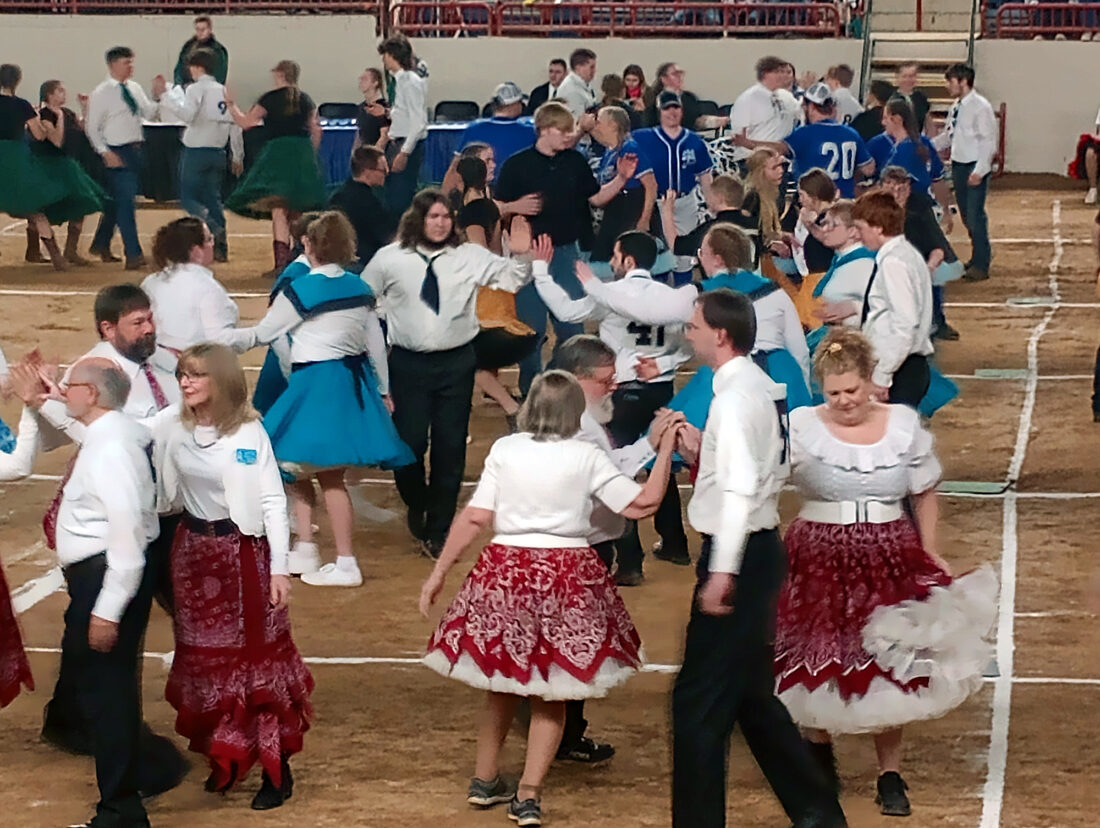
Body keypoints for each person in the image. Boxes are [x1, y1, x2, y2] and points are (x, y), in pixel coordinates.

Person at [420, 369, 681, 828]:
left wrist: (439, 573)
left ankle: (485, 780)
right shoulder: (585, 455)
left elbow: (476, 516)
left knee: (501, 684)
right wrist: (664, 452)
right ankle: (528, 794)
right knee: (552, 692)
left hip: (505, 570)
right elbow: (642, 505)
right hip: (567, 574)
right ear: (574, 412)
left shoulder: (506, 449)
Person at [774, 328, 996, 817]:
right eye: (833, 393)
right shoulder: (800, 426)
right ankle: (817, 754)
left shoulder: (903, 423)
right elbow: (765, 478)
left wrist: (930, 547)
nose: (844, 401)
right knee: (816, 651)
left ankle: (889, 774)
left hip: (888, 552)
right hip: (816, 555)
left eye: (852, 390)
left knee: (890, 660)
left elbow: (926, 488)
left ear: (869, 380)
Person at [671, 288, 847, 828]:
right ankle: (817, 812)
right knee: (751, 698)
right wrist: (709, 451)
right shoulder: (760, 387)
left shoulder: (733, 399)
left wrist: (722, 570)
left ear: (720, 335)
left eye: (695, 325)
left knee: (697, 707)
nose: (688, 333)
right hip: (758, 548)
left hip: (740, 553)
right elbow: (768, 464)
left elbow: (740, 492)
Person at [155, 343, 313, 810]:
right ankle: (223, 759)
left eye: (197, 376)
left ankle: (275, 770)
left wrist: (279, 569)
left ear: (220, 382)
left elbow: (271, 503)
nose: (185, 383)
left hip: (242, 557)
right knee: (204, 661)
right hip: (193, 555)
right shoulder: (173, 426)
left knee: (254, 664)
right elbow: (118, 431)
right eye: (183, 375)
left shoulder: (249, 432)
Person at [225, 212, 413, 586]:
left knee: (301, 466)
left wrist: (217, 340)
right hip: (349, 384)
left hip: (314, 384)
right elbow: (376, 344)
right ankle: (308, 549)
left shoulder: (303, 289)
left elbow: (262, 334)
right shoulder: (359, 287)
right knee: (309, 468)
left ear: (309, 245)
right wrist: (383, 389)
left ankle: (343, 562)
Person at [363, 191, 551, 558]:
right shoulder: (389, 259)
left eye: (446, 216)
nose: (440, 222)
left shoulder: (468, 256)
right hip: (408, 364)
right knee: (409, 446)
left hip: (456, 362)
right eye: (433, 216)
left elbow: (511, 279)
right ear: (418, 218)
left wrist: (523, 254)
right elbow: (364, 298)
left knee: (451, 448)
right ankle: (418, 502)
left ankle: (439, 530)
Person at [31, 357, 165, 828]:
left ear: (92, 394)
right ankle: (143, 773)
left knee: (105, 692)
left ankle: (123, 807)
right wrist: (44, 400)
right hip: (103, 573)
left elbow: (127, 534)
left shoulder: (111, 451)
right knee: (101, 687)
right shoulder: (116, 432)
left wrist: (108, 610)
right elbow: (82, 432)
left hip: (106, 576)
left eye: (71, 385)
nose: (64, 389)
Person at [534, 231, 693, 580]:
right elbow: (686, 345)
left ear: (628, 261)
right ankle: (676, 544)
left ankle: (631, 562)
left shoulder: (610, 293)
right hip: (661, 389)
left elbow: (565, 309)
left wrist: (541, 272)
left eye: (616, 255)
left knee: (616, 470)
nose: (612, 262)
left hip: (616, 392)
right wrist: (663, 365)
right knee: (659, 462)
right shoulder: (670, 299)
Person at [495, 102, 600, 395]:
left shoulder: (575, 162)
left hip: (565, 251)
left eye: (571, 130)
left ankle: (557, 382)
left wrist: (623, 179)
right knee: (531, 330)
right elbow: (494, 209)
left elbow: (595, 197)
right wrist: (513, 207)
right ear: (544, 130)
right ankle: (531, 390)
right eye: (563, 130)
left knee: (572, 326)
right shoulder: (516, 165)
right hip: (527, 256)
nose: (569, 135)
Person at [456, 159, 537, 431]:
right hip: (497, 288)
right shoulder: (489, 207)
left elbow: (479, 252)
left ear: (460, 179)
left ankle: (512, 408)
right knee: (480, 358)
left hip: (483, 292)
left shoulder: (472, 212)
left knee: (470, 357)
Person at [225, 59, 325, 276]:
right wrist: (310, 154)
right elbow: (316, 130)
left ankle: (281, 263)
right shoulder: (305, 99)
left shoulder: (269, 99)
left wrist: (231, 105)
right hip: (301, 153)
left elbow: (246, 123)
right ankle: (302, 257)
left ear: (279, 75)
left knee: (278, 208)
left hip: (277, 153)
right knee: (297, 208)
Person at [158, 47, 243, 263]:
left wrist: (166, 96)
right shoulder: (224, 91)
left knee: (188, 196)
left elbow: (187, 115)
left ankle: (213, 229)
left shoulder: (196, 89)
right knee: (213, 198)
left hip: (196, 150)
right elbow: (235, 125)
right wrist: (237, 155)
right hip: (218, 150)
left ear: (196, 67)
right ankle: (221, 246)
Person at [851, 190, 934, 408]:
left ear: (878, 227)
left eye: (861, 228)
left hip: (900, 370)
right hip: (906, 366)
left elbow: (905, 323)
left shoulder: (893, 263)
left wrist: (882, 376)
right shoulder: (906, 254)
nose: (858, 235)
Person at [86, 47, 161, 270]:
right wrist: (104, 151)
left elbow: (149, 113)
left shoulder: (134, 88)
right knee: (126, 201)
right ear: (112, 65)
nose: (130, 66)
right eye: (125, 63)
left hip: (135, 148)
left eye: (131, 62)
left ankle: (101, 243)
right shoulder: (101, 93)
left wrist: (159, 96)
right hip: (116, 150)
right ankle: (133, 252)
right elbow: (92, 127)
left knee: (116, 201)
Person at [733, 82, 874, 199]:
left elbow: (780, 148)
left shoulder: (805, 133)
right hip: (844, 201)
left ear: (811, 107)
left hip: (814, 201)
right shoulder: (851, 133)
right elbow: (869, 169)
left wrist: (748, 143)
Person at [632, 90, 713, 278]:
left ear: (682, 111)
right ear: (659, 112)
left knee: (684, 256)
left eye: (675, 107)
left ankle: (683, 294)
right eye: (667, 108)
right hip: (656, 203)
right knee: (657, 255)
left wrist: (712, 204)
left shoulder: (694, 140)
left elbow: (705, 176)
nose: (672, 112)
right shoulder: (643, 137)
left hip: (685, 201)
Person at [28, 77, 107, 268]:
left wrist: (85, 108)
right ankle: (35, 249)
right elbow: (56, 140)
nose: (65, 93)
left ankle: (70, 250)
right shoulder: (45, 114)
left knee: (80, 201)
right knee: (41, 206)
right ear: (50, 94)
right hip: (49, 166)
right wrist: (60, 117)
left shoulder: (67, 112)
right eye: (60, 91)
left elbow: (84, 129)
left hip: (67, 164)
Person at [880, 166, 964, 345]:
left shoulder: (920, 206)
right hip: (889, 262)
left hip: (921, 256)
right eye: (893, 185)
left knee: (933, 284)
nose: (900, 191)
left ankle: (937, 322)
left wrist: (928, 268)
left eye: (904, 185)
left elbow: (936, 243)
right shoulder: (875, 208)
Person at [0, 63, 71, 271]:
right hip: (15, 159)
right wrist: (38, 118)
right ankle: (57, 257)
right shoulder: (22, 105)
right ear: (17, 81)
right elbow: (39, 136)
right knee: (34, 208)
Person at [932, 63, 996, 282]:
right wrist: (929, 145)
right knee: (969, 215)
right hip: (960, 164)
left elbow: (988, 141)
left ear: (962, 81)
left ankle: (981, 262)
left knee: (975, 215)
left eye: (951, 81)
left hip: (972, 165)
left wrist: (980, 169)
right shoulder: (958, 106)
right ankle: (978, 257)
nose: (948, 86)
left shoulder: (980, 107)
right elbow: (949, 135)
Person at [250, 212, 319, 416]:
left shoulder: (315, 271)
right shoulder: (295, 275)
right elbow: (276, 330)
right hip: (287, 366)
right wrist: (291, 373)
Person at [140, 217, 241, 353]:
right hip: (192, 364)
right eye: (208, 240)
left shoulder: (150, 282)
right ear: (196, 251)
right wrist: (256, 335)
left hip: (153, 361)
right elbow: (221, 341)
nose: (212, 244)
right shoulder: (208, 287)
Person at [590, 105, 656, 272]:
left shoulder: (629, 148)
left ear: (612, 125)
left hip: (630, 207)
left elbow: (651, 185)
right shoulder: (610, 149)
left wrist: (644, 219)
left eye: (598, 121)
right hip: (615, 208)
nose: (595, 125)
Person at [448, 81, 536, 187]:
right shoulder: (531, 131)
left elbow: (455, 169)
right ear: (514, 104)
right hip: (520, 191)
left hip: (479, 192)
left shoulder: (474, 129)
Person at [378, 35, 428, 221]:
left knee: (400, 200)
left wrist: (404, 152)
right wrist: (389, 113)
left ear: (392, 55)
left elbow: (418, 121)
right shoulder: (401, 81)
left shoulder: (410, 82)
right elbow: (406, 114)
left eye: (385, 55)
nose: (383, 60)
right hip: (398, 142)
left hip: (404, 145)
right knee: (393, 197)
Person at [660, 173, 757, 268]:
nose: (706, 198)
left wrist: (667, 212)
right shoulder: (755, 223)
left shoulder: (713, 230)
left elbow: (676, 246)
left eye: (711, 194)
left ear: (719, 198)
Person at [327, 145, 395, 270]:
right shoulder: (370, 202)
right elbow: (386, 236)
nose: (387, 173)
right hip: (365, 263)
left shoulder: (336, 196)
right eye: (382, 169)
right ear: (367, 171)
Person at [728, 56, 800, 167]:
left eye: (785, 72)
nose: (783, 76)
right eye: (778, 72)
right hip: (753, 160)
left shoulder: (786, 97)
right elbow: (739, 135)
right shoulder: (748, 98)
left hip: (780, 158)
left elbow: (800, 114)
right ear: (765, 74)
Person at [643, 62, 727, 132]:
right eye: (675, 74)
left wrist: (716, 121)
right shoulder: (653, 98)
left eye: (681, 74)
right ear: (664, 79)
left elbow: (696, 121)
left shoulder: (689, 98)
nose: (679, 77)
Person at [172, 15, 228, 87]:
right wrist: (180, 85)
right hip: (187, 87)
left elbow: (221, 74)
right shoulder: (188, 47)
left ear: (210, 29)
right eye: (198, 29)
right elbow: (179, 68)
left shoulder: (218, 50)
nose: (200, 32)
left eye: (203, 29)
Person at [353, 66, 390, 152]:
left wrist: (374, 155)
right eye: (361, 79)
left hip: (378, 155)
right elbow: (359, 134)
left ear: (375, 83)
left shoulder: (383, 107)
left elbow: (384, 136)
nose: (361, 82)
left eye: (365, 79)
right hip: (364, 154)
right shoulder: (361, 107)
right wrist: (355, 152)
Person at [556, 48, 598, 121]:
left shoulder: (584, 85)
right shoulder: (571, 90)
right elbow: (577, 122)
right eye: (591, 67)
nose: (594, 71)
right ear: (578, 68)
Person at [892, 61, 930, 132]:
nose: (908, 80)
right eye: (904, 76)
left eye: (912, 76)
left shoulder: (921, 98)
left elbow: (928, 124)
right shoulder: (891, 100)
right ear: (897, 77)